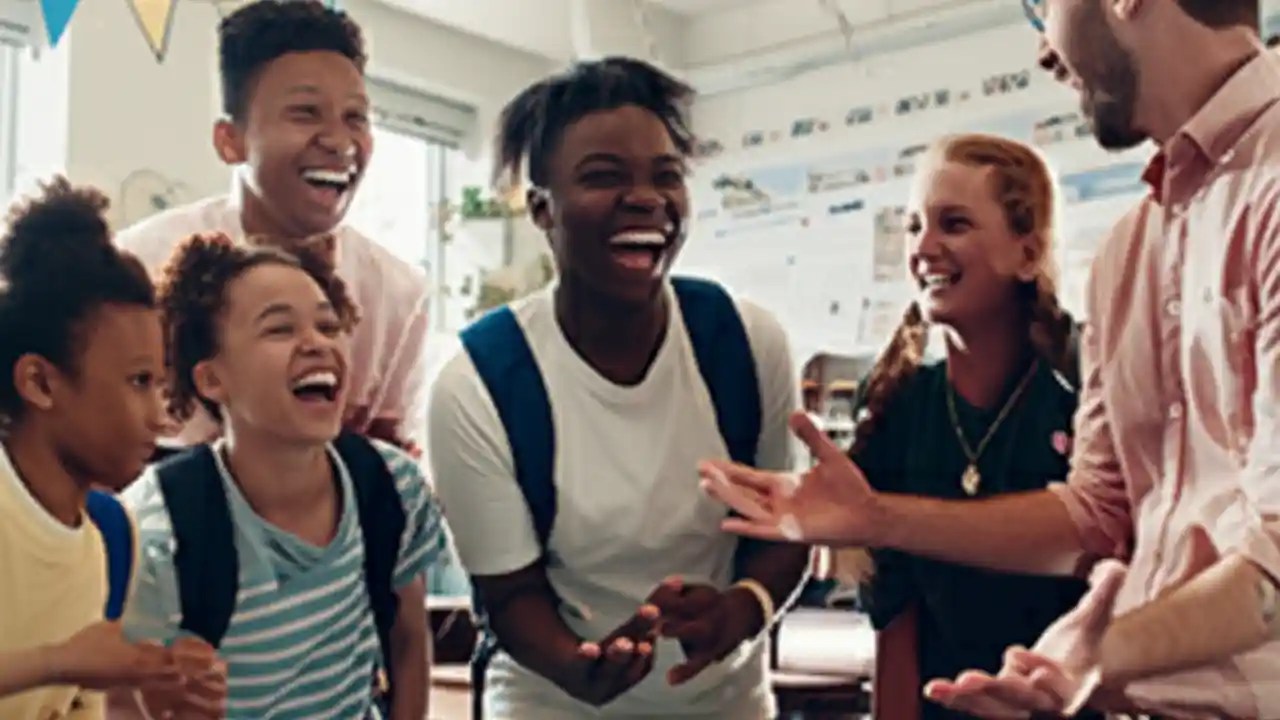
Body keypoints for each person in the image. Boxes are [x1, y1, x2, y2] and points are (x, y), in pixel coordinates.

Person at [702, 0, 1280, 716]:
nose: (1046, 49)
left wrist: (1098, 654)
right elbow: (1097, 513)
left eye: (1045, 5)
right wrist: (877, 518)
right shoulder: (1132, 248)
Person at [427, 57, 810, 719]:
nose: (646, 198)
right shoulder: (481, 383)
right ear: (543, 210)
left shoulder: (746, 343)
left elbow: (785, 529)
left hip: (727, 704)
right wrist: (578, 666)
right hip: (551, 704)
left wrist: (744, 608)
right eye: (604, 176)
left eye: (666, 176)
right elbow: (510, 595)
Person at [118, 233, 450, 719]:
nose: (317, 343)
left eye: (328, 325)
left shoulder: (389, 485)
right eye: (279, 329)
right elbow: (121, 701)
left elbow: (408, 640)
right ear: (211, 379)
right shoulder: (156, 533)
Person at [827, 133, 1094, 719]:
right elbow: (896, 620)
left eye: (954, 224)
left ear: (1028, 252)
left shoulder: (1085, 390)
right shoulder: (898, 402)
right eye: (913, 226)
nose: (923, 248)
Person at [116, 0, 430, 451]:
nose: (339, 142)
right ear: (231, 141)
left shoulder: (397, 297)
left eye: (355, 117)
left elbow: (389, 466)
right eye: (305, 113)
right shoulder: (140, 268)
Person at [0, 178, 223, 719]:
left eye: (161, 385)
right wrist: (55, 662)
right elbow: (65, 667)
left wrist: (164, 700)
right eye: (139, 382)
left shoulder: (111, 535)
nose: (161, 417)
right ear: (40, 383)